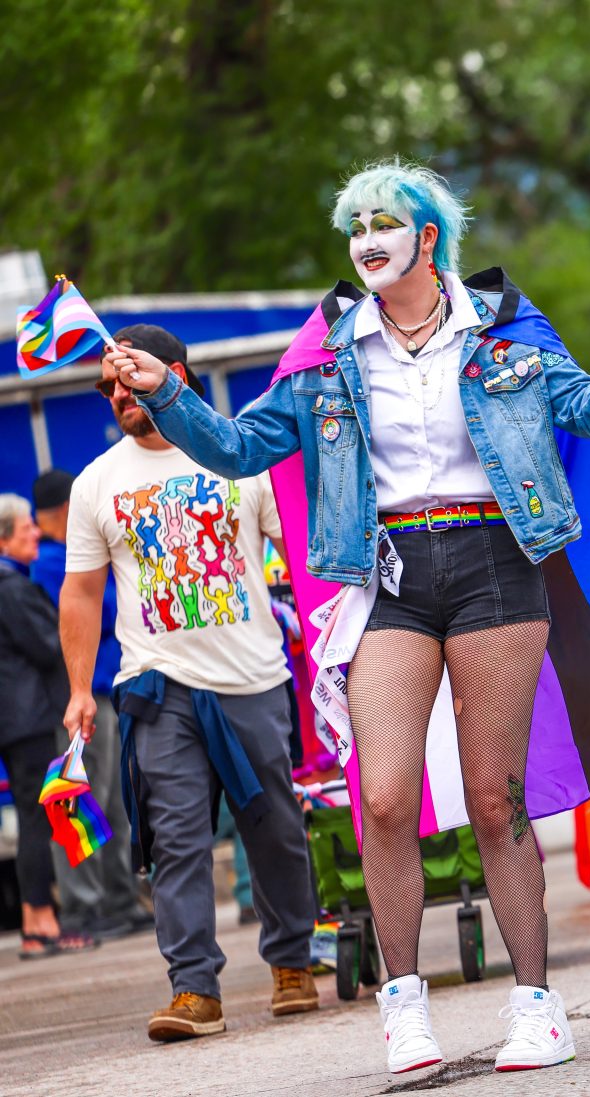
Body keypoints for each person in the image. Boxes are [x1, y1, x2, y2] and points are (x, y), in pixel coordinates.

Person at [107, 162, 590, 1074]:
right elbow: (241, 447)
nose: (367, 237)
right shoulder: (328, 350)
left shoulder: (506, 330)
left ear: (429, 237)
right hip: (387, 577)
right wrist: (167, 394)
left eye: (384, 220)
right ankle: (404, 1006)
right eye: (354, 225)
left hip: (494, 564)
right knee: (383, 793)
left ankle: (538, 1005)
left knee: (494, 795)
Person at [61, 325, 319, 1041]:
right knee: (173, 836)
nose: (119, 395)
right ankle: (193, 987)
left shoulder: (242, 457)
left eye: (128, 379)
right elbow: (81, 593)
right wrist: (80, 690)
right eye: (108, 387)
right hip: (155, 682)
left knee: (272, 825)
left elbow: (295, 554)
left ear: (171, 372)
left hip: (252, 676)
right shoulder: (97, 483)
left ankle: (292, 962)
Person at [29, 469, 148, 942]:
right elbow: (102, 613)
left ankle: (119, 898)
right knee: (76, 801)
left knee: (114, 802)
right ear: (65, 511)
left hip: (107, 691)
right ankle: (84, 906)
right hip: (78, 699)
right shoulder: (51, 563)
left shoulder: (70, 558)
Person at [0, 494, 98, 960]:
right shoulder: (10, 587)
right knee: (39, 820)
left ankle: (34, 920)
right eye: (25, 528)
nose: (35, 532)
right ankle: (41, 922)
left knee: (33, 818)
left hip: (15, 720)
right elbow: (44, 645)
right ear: (4, 538)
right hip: (26, 719)